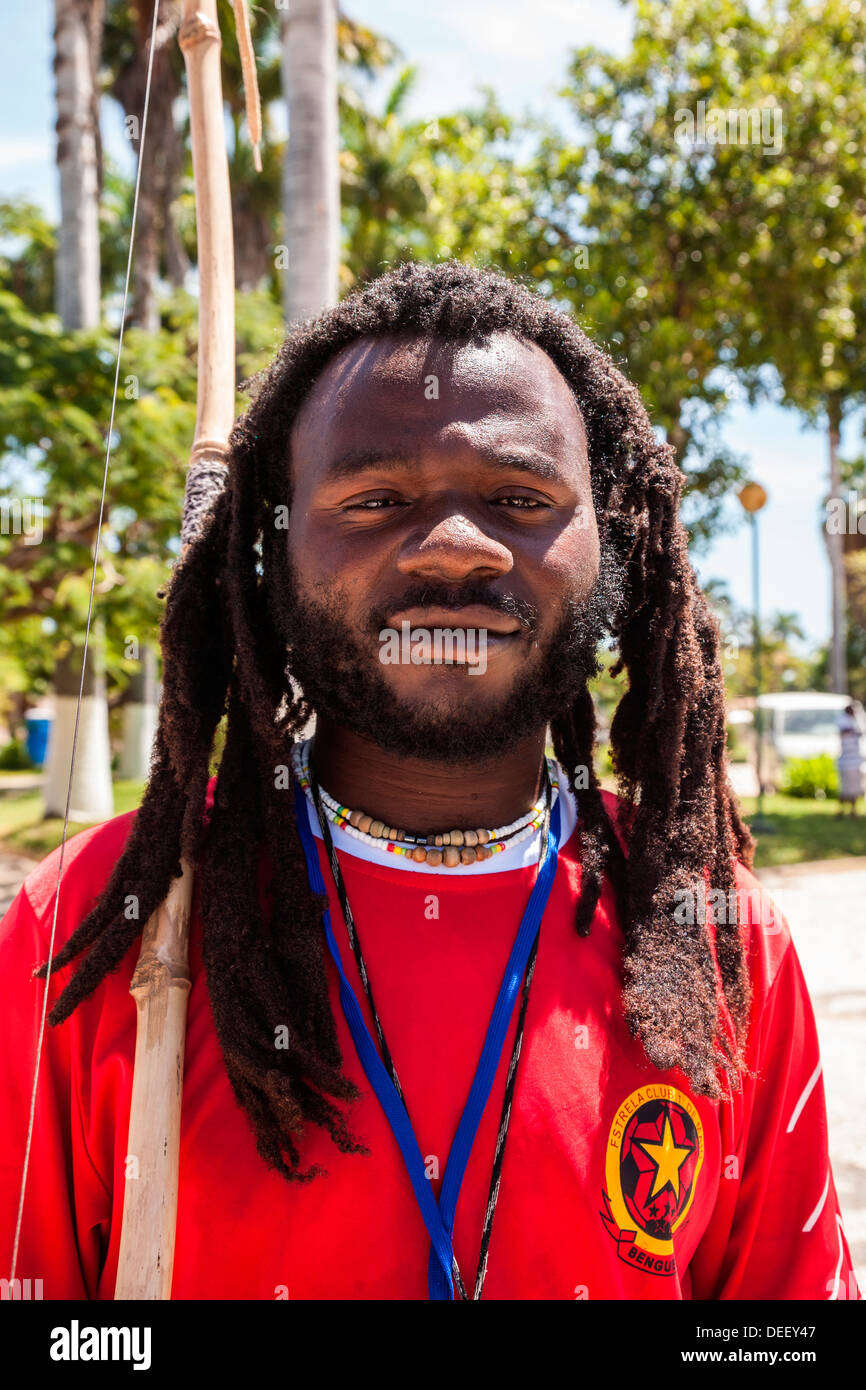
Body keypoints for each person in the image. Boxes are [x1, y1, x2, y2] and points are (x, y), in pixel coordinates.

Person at [0, 262, 858, 1301]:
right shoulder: (98, 927)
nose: (453, 549)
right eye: (374, 499)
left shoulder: (712, 937)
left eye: (517, 496)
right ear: (270, 557)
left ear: (614, 549)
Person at [837, 703, 863, 817]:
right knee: (844, 789)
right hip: (846, 762)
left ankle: (853, 811)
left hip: (855, 761)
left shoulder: (857, 721)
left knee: (854, 790)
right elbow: (844, 730)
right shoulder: (843, 721)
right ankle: (841, 810)